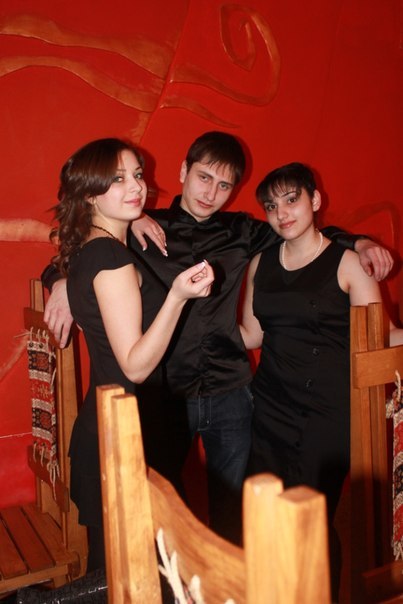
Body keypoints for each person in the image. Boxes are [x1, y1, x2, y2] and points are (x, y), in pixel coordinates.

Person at [42, 131, 393, 544]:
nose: (211, 193)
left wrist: (359, 241)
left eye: (224, 185)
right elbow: (82, 251)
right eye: (204, 178)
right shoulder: (137, 224)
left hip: (231, 393)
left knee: (234, 516)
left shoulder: (242, 230)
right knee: (163, 518)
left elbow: (301, 231)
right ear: (184, 171)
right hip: (165, 397)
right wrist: (59, 281)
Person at [48, 137, 214, 572]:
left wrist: (135, 217)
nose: (137, 186)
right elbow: (136, 365)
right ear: (90, 194)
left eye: (137, 175)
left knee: (122, 573)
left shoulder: (92, 247)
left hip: (112, 422)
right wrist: (178, 296)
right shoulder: (111, 257)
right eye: (118, 179)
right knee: (135, 577)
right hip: (123, 429)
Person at [239, 161, 402, 598]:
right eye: (272, 206)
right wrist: (194, 325)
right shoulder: (260, 263)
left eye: (291, 200)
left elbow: (383, 334)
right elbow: (252, 334)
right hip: (270, 407)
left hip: (327, 412)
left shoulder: (348, 263)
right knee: (268, 517)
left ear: (315, 200)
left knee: (311, 520)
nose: (282, 213)